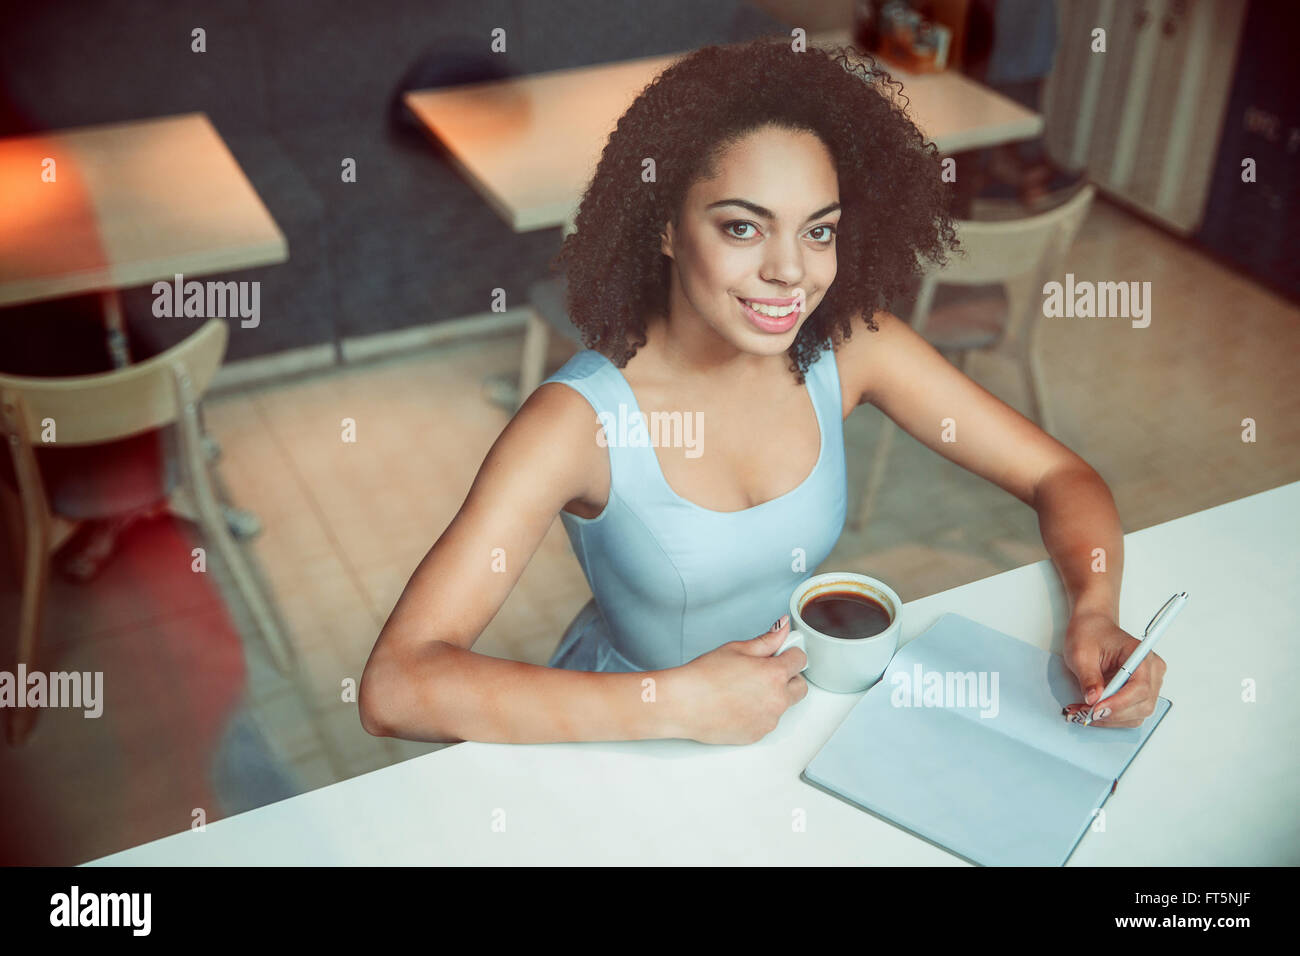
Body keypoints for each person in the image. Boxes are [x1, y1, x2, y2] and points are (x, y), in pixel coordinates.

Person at [358, 37, 1165, 746]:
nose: (791, 271)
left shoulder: (851, 350)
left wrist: (1095, 608)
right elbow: (395, 688)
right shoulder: (578, 423)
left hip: (781, 712)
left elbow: (1058, 476)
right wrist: (672, 703)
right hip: (619, 727)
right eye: (743, 226)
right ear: (667, 227)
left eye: (819, 230)